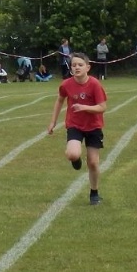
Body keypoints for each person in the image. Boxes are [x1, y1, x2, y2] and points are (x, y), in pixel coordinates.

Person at [47, 51, 107, 205]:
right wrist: (53, 121)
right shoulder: (66, 84)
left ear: (88, 67)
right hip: (75, 125)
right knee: (72, 154)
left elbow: (102, 107)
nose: (76, 67)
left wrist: (85, 108)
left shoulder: (94, 84)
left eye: (80, 65)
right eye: (74, 65)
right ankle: (76, 160)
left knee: (93, 162)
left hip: (93, 126)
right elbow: (59, 100)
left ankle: (94, 193)